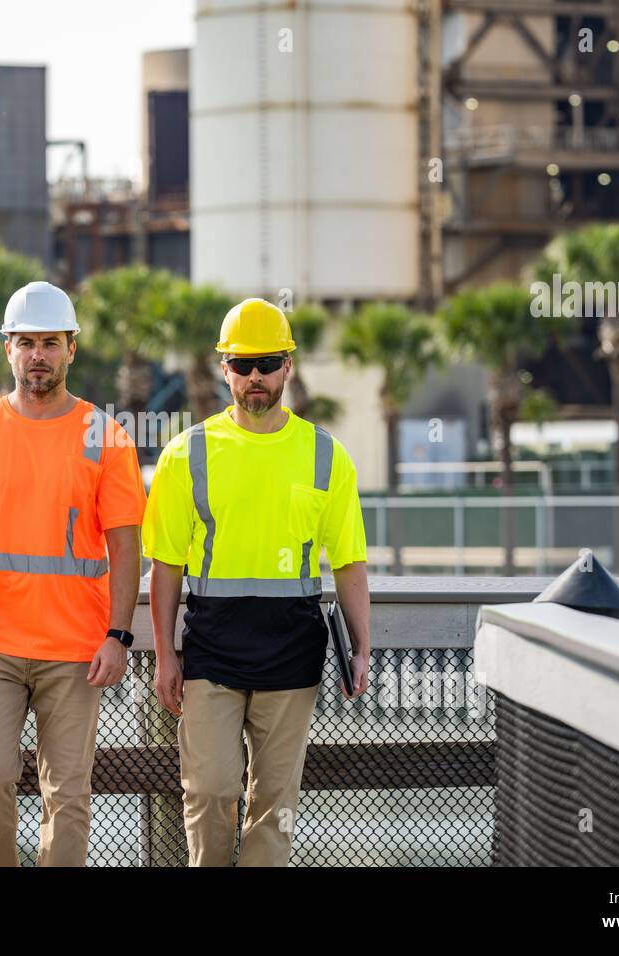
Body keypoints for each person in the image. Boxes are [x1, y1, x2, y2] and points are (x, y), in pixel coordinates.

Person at [0, 280, 147, 867]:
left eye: (49, 342)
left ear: (72, 348)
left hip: (76, 650)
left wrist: (119, 636)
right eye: (25, 343)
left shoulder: (106, 436)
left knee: (67, 795)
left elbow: (126, 547)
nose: (37, 354)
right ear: (8, 349)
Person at [142, 297, 372, 867]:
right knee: (210, 791)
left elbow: (348, 562)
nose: (255, 378)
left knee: (275, 806)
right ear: (224, 369)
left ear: (288, 366)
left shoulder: (326, 456)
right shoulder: (186, 454)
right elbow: (165, 565)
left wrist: (363, 645)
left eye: (267, 363)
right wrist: (165, 657)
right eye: (242, 365)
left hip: (292, 654)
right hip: (211, 652)